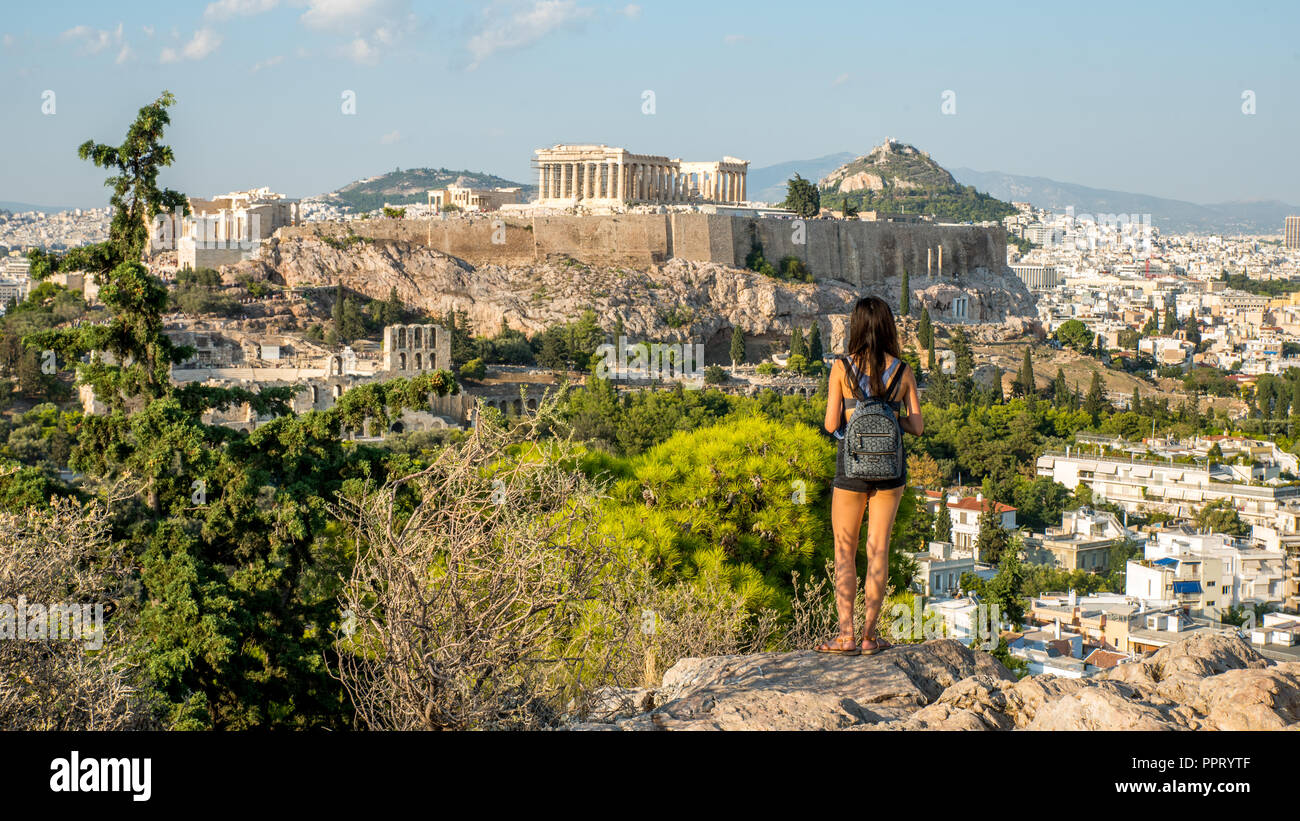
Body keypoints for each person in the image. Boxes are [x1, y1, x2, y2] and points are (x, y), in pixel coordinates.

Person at [814, 296, 923, 656]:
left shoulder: (841, 369)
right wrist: (891, 419)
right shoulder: (903, 371)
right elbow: (917, 427)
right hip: (891, 471)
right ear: (889, 327)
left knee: (845, 551)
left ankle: (845, 636)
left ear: (856, 326)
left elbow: (831, 424)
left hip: (851, 468)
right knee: (879, 550)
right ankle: (869, 638)